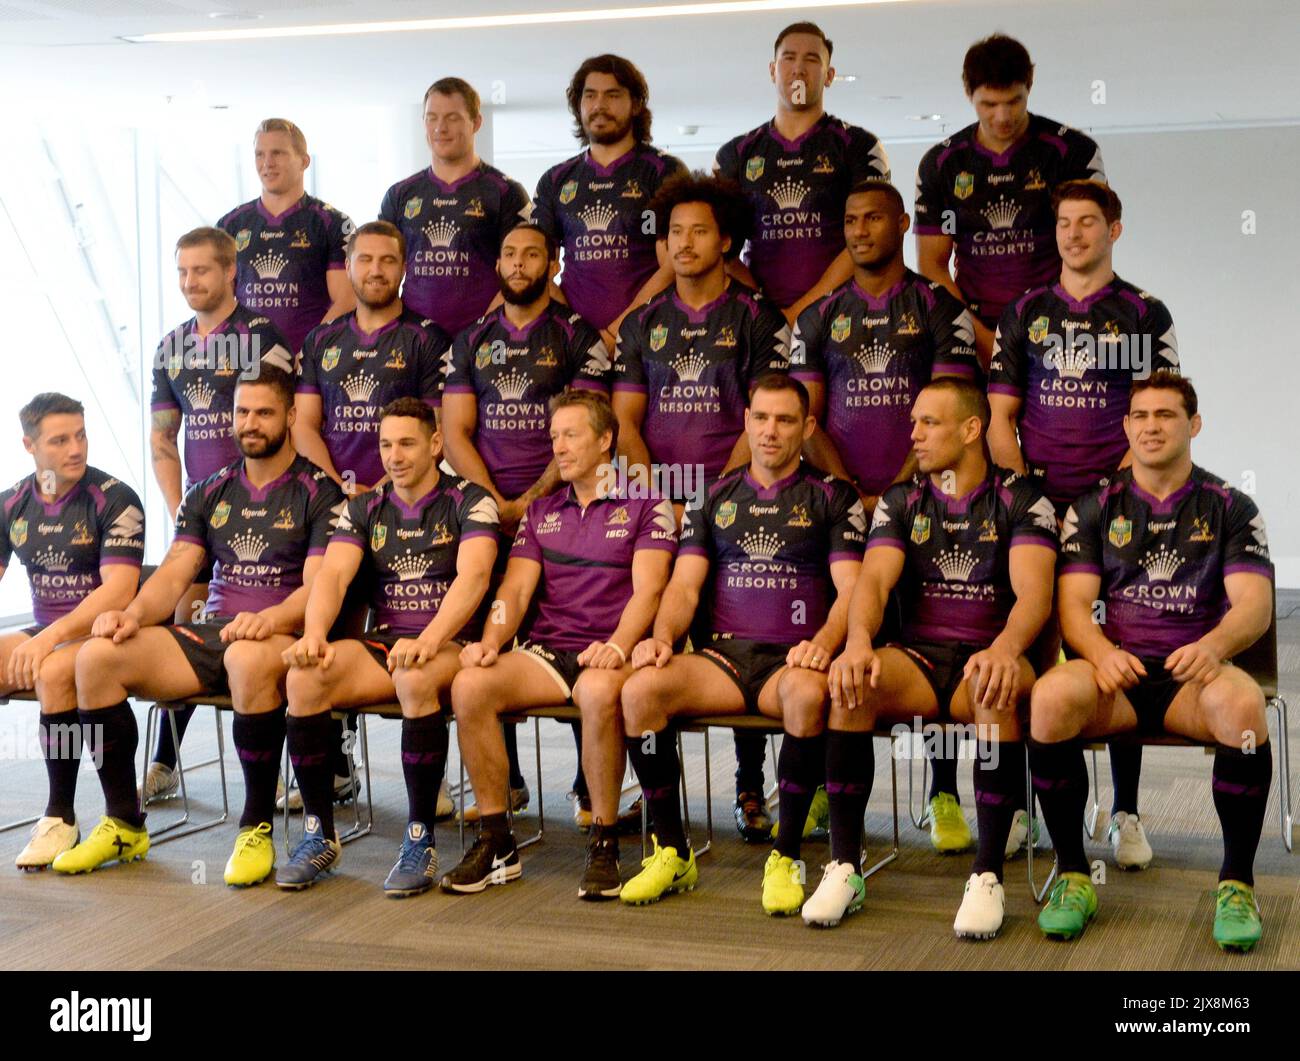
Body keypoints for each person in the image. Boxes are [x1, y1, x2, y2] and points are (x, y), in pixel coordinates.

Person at [54, 366, 346, 883]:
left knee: (246, 655)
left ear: (291, 416)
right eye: (241, 412)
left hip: (280, 636)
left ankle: (255, 826)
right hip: (211, 634)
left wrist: (269, 618)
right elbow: (173, 575)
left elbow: (319, 586)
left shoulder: (319, 491)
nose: (250, 423)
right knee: (95, 657)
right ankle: (124, 820)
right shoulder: (207, 492)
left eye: (263, 412)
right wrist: (133, 613)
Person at [1030, 372, 1274, 952]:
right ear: (1125, 427)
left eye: (1165, 415)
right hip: (1117, 678)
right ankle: (1072, 875)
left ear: (1193, 425)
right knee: (1049, 699)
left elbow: (1256, 607)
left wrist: (1214, 646)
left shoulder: (1230, 506)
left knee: (1243, 712)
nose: (1151, 426)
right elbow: (1071, 605)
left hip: (1193, 680)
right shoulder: (1095, 505)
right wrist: (1098, 651)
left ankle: (1237, 883)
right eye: (1140, 416)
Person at [818, 377, 1057, 935]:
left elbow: (1034, 597)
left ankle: (987, 874)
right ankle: (845, 865)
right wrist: (856, 644)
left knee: (993, 686)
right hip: (921, 659)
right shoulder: (902, 500)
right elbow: (872, 584)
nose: (915, 434)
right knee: (852, 683)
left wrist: (1003, 649)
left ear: (972, 429)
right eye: (914, 422)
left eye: (930, 423)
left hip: (994, 653)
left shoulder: (1022, 499)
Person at [618, 374, 865, 908]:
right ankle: (673, 852)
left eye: (784, 420)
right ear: (746, 422)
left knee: (805, 695)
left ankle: (786, 853)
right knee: (639, 692)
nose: (770, 431)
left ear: (807, 427)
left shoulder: (834, 497)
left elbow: (853, 590)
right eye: (760, 418)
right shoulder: (713, 496)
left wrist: (824, 641)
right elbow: (684, 585)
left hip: (793, 659)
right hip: (725, 659)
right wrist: (662, 636)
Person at [988, 179, 1179, 866]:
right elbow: (1002, 417)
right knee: (1031, 648)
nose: (1074, 235)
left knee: (1113, 653)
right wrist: (1032, 498)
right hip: (1036, 510)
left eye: (1088, 223)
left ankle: (1124, 810)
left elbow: (1153, 414)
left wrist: (1107, 498)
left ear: (1114, 230)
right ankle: (1019, 810)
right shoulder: (1026, 312)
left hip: (1115, 511)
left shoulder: (1142, 314)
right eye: (1064, 223)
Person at [611, 173, 792, 837]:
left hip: (739, 503)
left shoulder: (757, 319)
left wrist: (720, 499)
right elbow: (625, 420)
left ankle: (750, 787)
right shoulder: (643, 323)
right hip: (660, 508)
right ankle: (659, 795)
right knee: (657, 652)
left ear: (725, 242)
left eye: (698, 232)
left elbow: (764, 418)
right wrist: (658, 496)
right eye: (673, 231)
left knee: (735, 640)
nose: (683, 244)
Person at [443, 390, 677, 899]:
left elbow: (650, 590)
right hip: (551, 650)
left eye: (571, 435)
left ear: (605, 440)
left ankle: (604, 840)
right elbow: (516, 590)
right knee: (470, 685)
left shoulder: (647, 503)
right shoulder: (541, 511)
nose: (560, 447)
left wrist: (617, 645)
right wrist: (490, 639)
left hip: (613, 650)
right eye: (554, 437)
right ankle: (497, 841)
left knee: (596, 692)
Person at [277, 398, 499, 894]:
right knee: (303, 677)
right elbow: (332, 575)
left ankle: (419, 838)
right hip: (386, 643)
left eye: (406, 444)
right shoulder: (364, 506)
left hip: (453, 644)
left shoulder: (471, 499)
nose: (393, 456)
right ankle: (319, 835)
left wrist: (429, 639)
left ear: (436, 444)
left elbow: (475, 576)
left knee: (415, 676)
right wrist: (314, 633)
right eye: (384, 445)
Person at [442, 221, 612, 826]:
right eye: (509, 253)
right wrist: (493, 503)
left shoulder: (578, 336)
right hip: (488, 509)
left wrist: (534, 498)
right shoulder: (470, 338)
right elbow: (455, 431)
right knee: (495, 635)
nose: (519, 264)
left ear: (554, 263)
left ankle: (589, 786)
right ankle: (507, 782)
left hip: (559, 502)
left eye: (532, 254)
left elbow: (582, 427)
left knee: (569, 629)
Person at [144, 226, 295, 799]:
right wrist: (179, 509)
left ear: (231, 272)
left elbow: (290, 424)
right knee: (186, 623)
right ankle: (164, 758)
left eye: (201, 271)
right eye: (182, 272)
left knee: (290, 630)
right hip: (201, 517)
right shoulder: (169, 346)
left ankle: (327, 764)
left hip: (267, 513)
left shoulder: (263, 337)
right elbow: (163, 440)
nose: (190, 283)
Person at [0, 393, 144, 869]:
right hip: (46, 629)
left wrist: (48, 638)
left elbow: (119, 591)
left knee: (55, 669)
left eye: (80, 435)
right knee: (45, 658)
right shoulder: (11, 504)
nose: (75, 449)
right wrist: (44, 637)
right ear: (29, 446)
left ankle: (60, 814)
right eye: (59, 440)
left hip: (103, 632)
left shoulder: (115, 498)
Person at [915, 34, 1106, 369]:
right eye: (989, 104)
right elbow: (933, 265)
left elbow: (1088, 249)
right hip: (972, 331)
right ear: (968, 93)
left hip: (1058, 327)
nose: (1002, 116)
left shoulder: (1072, 153)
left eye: (1014, 101)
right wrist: (982, 339)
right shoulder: (942, 165)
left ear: (1029, 87)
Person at [715, 21, 890, 323]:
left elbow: (866, 240)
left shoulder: (860, 146)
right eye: (788, 58)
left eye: (812, 59)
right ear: (772, 70)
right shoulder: (735, 154)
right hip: (757, 321)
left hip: (843, 317)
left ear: (829, 76)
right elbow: (719, 245)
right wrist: (766, 312)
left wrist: (802, 312)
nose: (798, 69)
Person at [532, 54, 686, 347]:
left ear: (636, 104)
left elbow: (672, 264)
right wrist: (576, 331)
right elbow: (539, 265)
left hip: (650, 335)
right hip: (574, 342)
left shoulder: (663, 172)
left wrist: (619, 330)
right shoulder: (556, 180)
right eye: (590, 96)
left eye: (612, 95)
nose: (599, 105)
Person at [293, 220, 449, 494]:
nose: (376, 271)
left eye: (387, 261)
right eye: (365, 259)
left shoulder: (429, 340)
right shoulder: (319, 339)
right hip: (328, 494)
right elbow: (303, 425)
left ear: (404, 269)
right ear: (348, 267)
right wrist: (338, 487)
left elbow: (436, 431)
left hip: (402, 495)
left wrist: (377, 494)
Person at [380, 78, 531, 337]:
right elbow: (383, 269)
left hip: (486, 341)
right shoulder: (400, 194)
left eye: (453, 118)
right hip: (414, 342)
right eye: (432, 117)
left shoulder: (506, 193)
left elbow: (521, 273)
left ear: (476, 123)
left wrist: (481, 333)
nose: (441, 127)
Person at [217, 118, 355, 353]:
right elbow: (219, 299)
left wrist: (309, 354)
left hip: (305, 364)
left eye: (277, 153)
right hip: (246, 364)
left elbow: (347, 299)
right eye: (260, 154)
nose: (267, 163)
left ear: (304, 161)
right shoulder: (230, 225)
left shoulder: (332, 223)